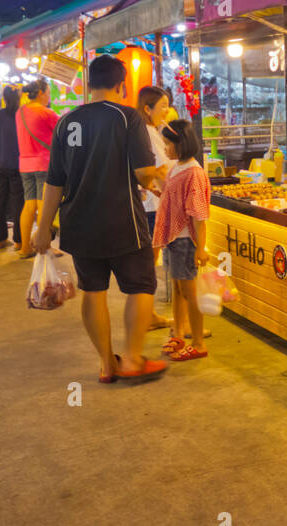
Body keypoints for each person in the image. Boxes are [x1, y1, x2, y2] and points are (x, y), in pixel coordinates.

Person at [33, 55, 167, 382]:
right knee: (141, 286)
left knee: (93, 290)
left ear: (89, 85)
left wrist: (43, 229)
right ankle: (133, 359)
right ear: (122, 85)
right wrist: (160, 179)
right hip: (123, 222)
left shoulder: (66, 121)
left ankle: (107, 364)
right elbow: (143, 173)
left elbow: (54, 182)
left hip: (78, 223)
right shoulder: (127, 118)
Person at [152, 119, 212, 362]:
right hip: (174, 240)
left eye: (168, 143)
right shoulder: (177, 166)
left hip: (186, 241)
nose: (165, 148)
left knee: (189, 292)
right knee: (177, 289)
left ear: (181, 143)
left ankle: (197, 343)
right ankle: (179, 333)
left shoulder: (194, 172)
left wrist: (201, 247)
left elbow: (199, 214)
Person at [137, 85, 177, 331]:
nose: (167, 110)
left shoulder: (144, 130)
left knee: (147, 262)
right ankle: (148, 315)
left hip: (148, 203)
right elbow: (161, 171)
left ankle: (147, 313)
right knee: (148, 263)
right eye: (162, 106)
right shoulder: (149, 132)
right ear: (147, 108)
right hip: (153, 208)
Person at [17, 79, 59, 259]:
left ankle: (25, 248)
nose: (49, 96)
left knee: (29, 205)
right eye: (48, 92)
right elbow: (64, 133)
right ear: (41, 93)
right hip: (44, 164)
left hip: (25, 164)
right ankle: (45, 246)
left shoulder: (20, 112)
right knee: (44, 206)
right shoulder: (47, 113)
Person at [0, 86, 25, 249]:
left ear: (3, 98)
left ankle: (0, 239)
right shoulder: (22, 115)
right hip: (17, 164)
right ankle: (19, 240)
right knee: (19, 202)